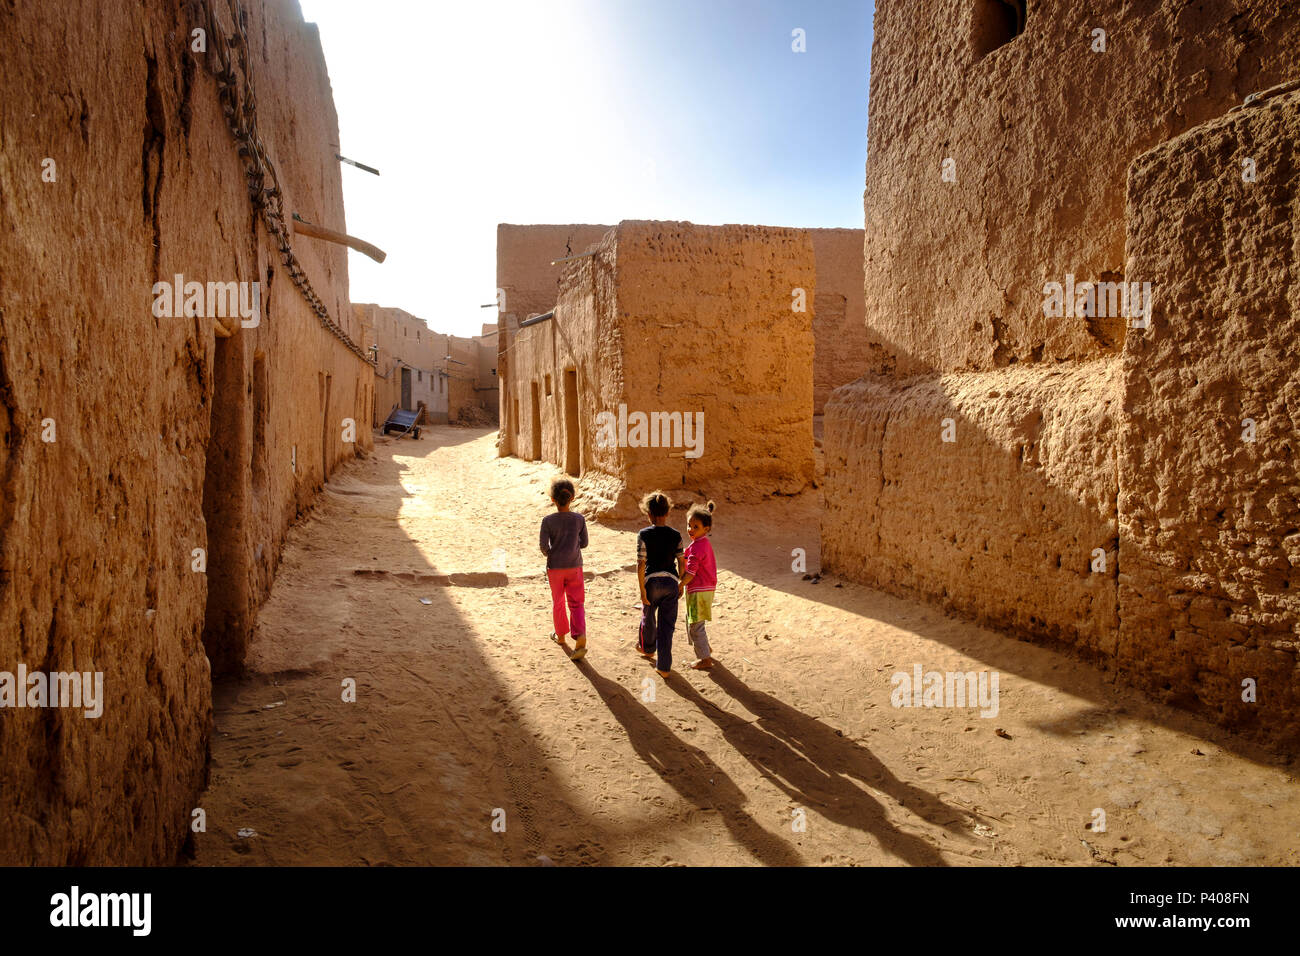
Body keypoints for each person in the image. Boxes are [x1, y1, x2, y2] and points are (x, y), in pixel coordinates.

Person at [636, 491, 685, 676]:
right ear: (668, 512)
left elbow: (641, 564)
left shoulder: (644, 534)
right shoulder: (676, 535)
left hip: (652, 582)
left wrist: (642, 590)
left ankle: (648, 649)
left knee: (648, 617)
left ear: (648, 514)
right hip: (671, 582)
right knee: (667, 626)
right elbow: (681, 562)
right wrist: (681, 584)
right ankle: (664, 667)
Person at [540, 477, 588, 660]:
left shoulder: (548, 521)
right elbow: (584, 543)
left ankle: (560, 636)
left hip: (555, 567)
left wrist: (553, 552)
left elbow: (544, 547)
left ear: (552, 499)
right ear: (572, 498)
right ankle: (580, 636)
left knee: (558, 601)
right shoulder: (579, 519)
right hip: (575, 566)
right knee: (576, 603)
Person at [679, 501, 717, 669]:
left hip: (698, 590)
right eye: (689, 525)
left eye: (695, 527)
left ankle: (704, 659)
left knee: (695, 625)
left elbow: (691, 572)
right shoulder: (702, 543)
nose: (690, 530)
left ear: (706, 529)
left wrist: (680, 585)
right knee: (697, 621)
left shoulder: (697, 548)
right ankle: (705, 648)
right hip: (706, 589)